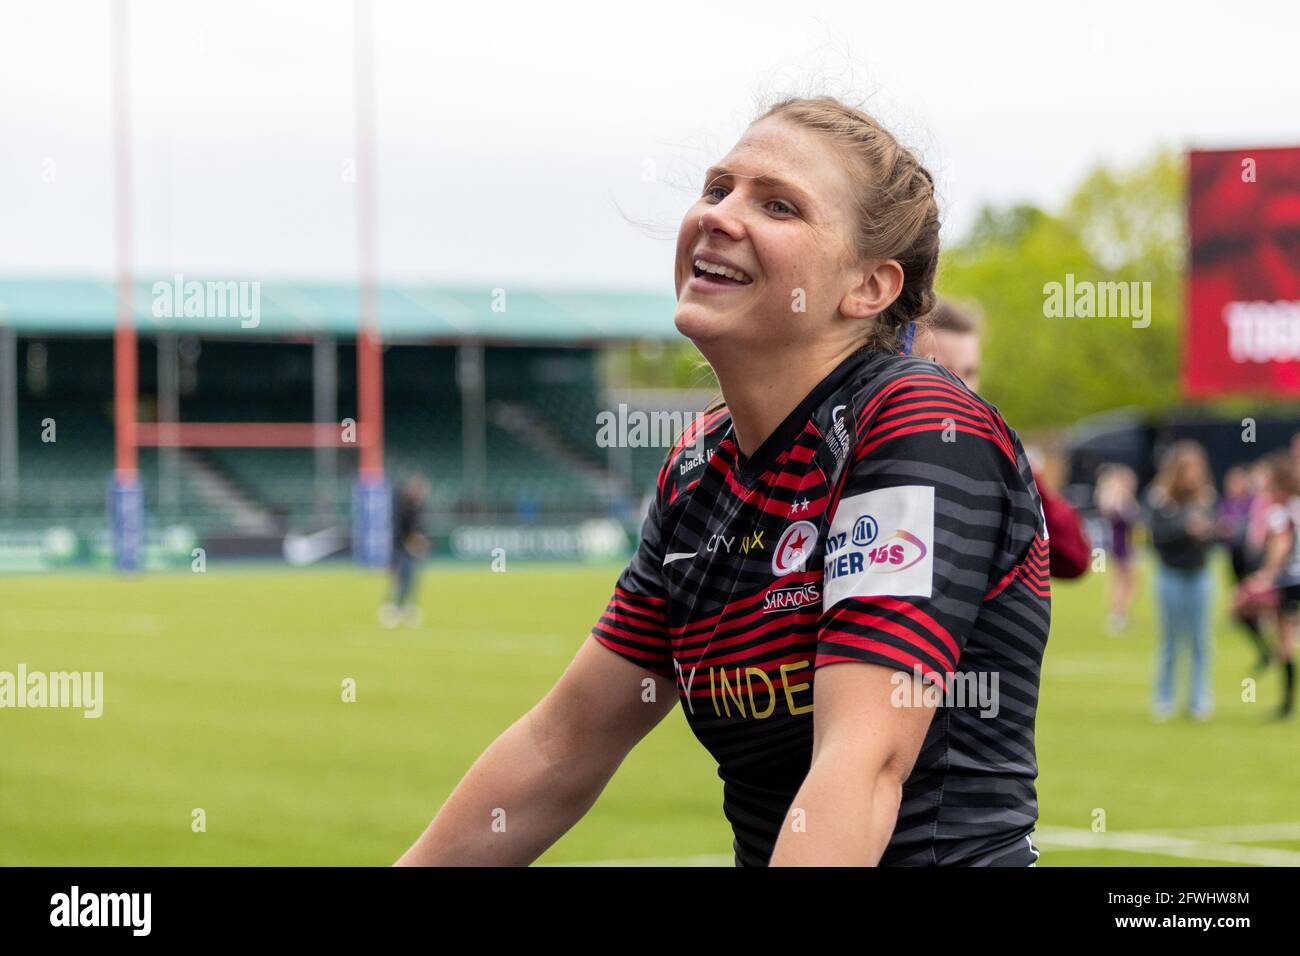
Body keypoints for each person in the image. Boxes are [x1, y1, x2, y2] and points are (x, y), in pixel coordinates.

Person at [397, 95, 1050, 867]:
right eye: (717, 188)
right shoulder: (700, 463)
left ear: (870, 288)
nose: (720, 215)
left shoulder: (916, 421)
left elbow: (863, 762)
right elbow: (560, 747)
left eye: (778, 204)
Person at [912, 298, 1090, 579]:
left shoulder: (994, 451)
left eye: (969, 373)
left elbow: (1073, 558)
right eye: (942, 369)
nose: (961, 387)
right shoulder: (882, 444)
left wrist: (1019, 473)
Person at [1144, 441, 1218, 721]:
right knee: (1171, 639)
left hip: (1199, 573)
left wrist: (1207, 532)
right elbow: (1155, 536)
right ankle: (1164, 697)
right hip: (1170, 573)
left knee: (1201, 638)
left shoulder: (1206, 498)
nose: (1194, 476)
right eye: (1188, 470)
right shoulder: (1160, 499)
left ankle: (1200, 699)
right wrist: (1185, 529)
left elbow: (1215, 537)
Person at [1242, 451, 1298, 718]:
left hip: (1290, 579)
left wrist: (1266, 574)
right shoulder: (1296, 504)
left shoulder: (1278, 510)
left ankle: (1286, 705)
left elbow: (1282, 542)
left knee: (1284, 639)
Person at [1219, 462, 1272, 668]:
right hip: (1240, 557)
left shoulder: (1265, 504)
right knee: (1242, 605)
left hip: (1262, 563)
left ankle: (1269, 650)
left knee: (1250, 604)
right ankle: (1266, 649)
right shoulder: (1248, 503)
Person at [1095, 463, 1141, 633]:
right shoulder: (1114, 496)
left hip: (1126, 543)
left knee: (1129, 579)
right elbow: (1114, 514)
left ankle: (1121, 612)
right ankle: (1117, 613)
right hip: (1119, 543)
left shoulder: (1125, 497)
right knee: (1121, 579)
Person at [380, 476, 431, 628]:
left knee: (410, 580)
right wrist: (410, 542)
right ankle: (391, 607)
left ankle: (404, 608)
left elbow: (420, 530)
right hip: (399, 548)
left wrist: (420, 542)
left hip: (410, 550)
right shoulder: (401, 507)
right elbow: (398, 531)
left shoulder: (418, 508)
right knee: (397, 580)